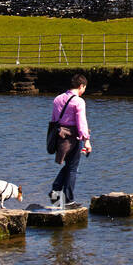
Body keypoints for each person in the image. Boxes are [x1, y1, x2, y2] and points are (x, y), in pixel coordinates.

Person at [49, 74, 92, 206]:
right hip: (73, 137)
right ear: (81, 86)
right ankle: (68, 200)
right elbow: (81, 122)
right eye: (84, 88)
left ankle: (55, 195)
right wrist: (86, 141)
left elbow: (54, 120)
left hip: (60, 137)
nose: (84, 91)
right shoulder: (79, 101)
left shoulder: (57, 99)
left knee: (69, 166)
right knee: (73, 168)